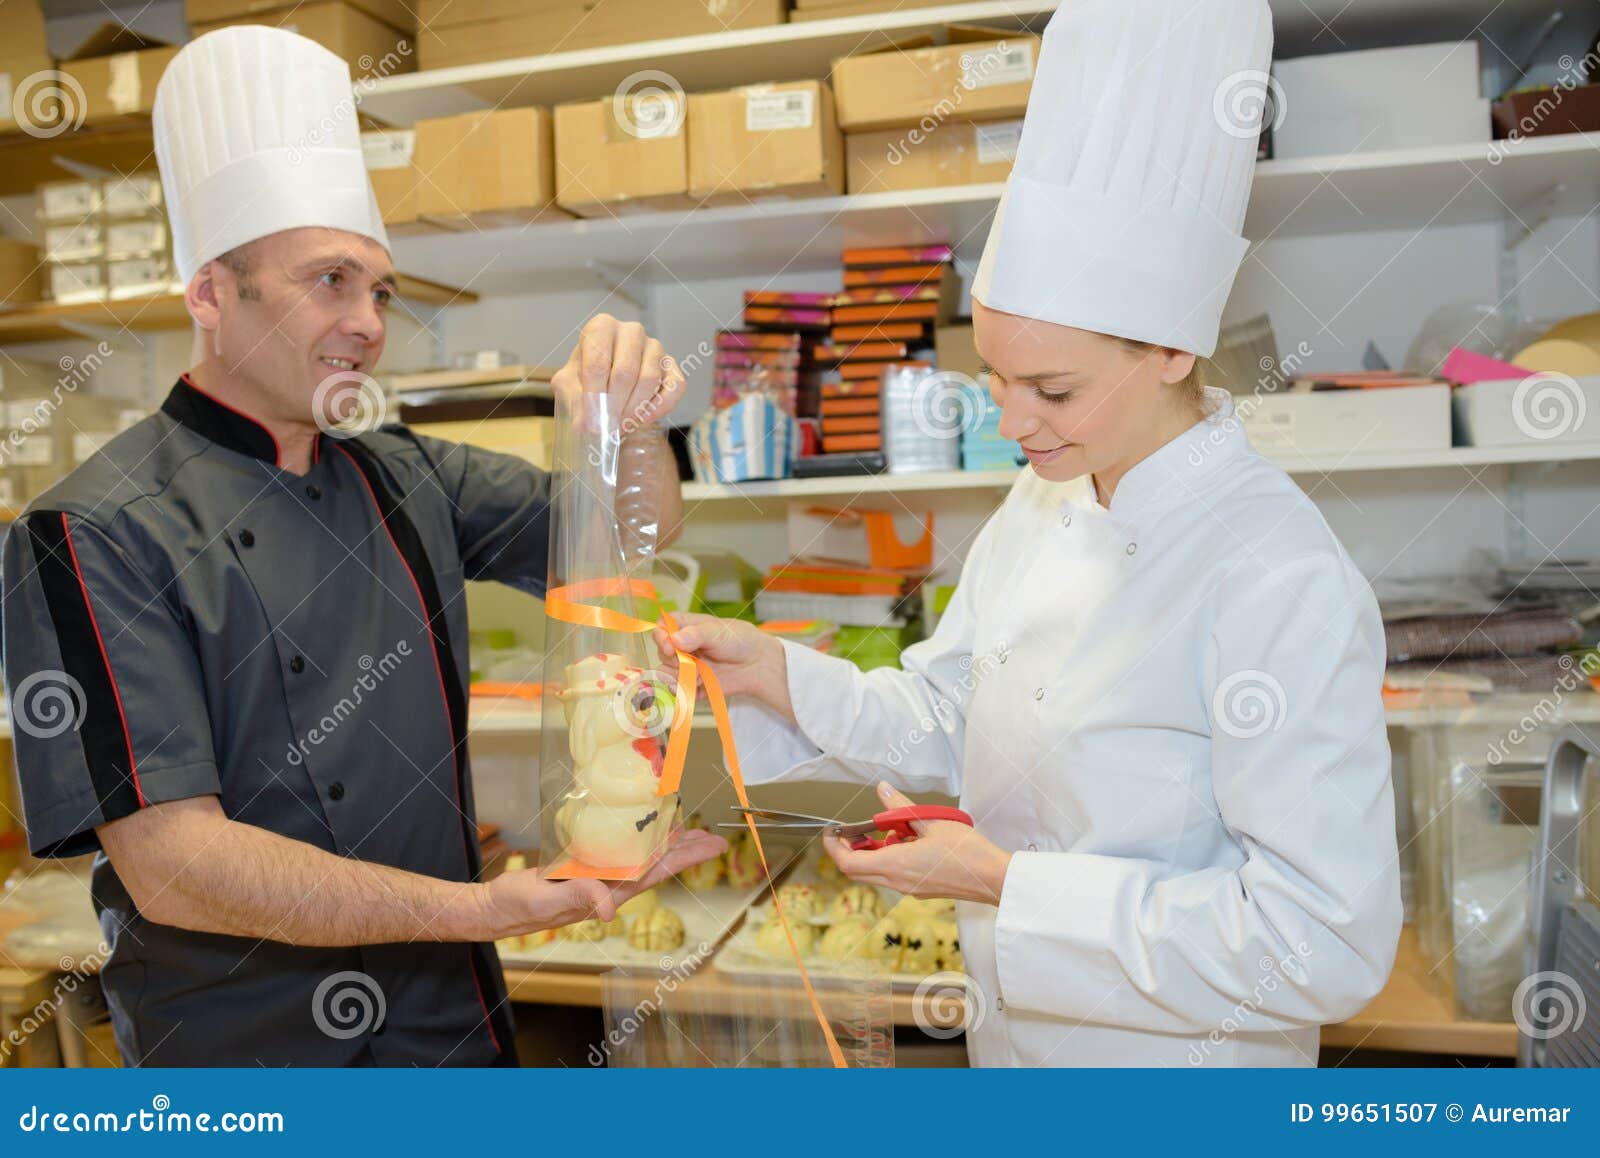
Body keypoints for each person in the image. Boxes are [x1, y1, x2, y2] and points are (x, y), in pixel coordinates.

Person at [656, 0, 1402, 1067]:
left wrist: (1000, 883)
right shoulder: (1052, 490)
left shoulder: (1275, 574)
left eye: (1051, 387)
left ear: (1172, 353)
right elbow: (951, 709)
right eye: (993, 378)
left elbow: (1322, 944)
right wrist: (773, 673)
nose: (1009, 424)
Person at [2, 27, 722, 1067]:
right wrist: (485, 912)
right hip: (248, 1055)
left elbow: (634, 533)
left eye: (379, 290)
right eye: (329, 280)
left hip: (449, 1030)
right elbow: (174, 867)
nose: (368, 321)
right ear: (210, 292)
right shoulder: (92, 530)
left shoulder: (405, 475)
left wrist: (634, 422)